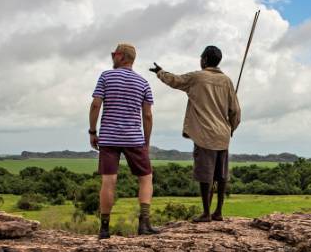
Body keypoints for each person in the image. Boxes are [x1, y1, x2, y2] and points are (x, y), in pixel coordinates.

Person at [150, 46, 241, 222]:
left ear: (205, 60)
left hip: (205, 135)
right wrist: (231, 129)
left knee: (205, 175)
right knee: (221, 175)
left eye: (201, 58)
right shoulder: (227, 81)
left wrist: (160, 72)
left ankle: (206, 213)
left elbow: (175, 80)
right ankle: (219, 211)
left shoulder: (197, 78)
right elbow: (235, 111)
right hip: (223, 135)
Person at [89, 43, 157, 239]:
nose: (112, 57)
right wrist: (146, 141)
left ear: (121, 56)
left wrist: (93, 131)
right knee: (145, 178)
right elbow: (148, 115)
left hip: (109, 137)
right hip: (134, 138)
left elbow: (95, 105)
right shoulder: (143, 83)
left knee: (109, 180)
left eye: (114, 54)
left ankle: (104, 229)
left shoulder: (105, 77)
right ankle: (144, 224)